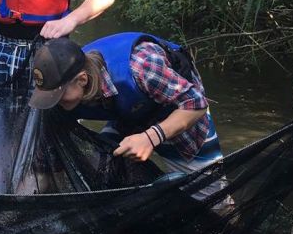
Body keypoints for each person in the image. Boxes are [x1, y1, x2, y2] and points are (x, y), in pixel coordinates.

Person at [27, 34, 223, 175]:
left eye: (59, 96)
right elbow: (45, 161)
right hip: (125, 112)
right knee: (103, 167)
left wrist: (150, 137)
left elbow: (197, 103)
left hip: (177, 111)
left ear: (83, 79)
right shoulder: (59, 85)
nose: (55, 103)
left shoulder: (141, 66)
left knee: (213, 199)